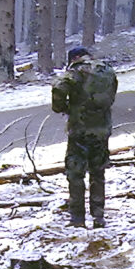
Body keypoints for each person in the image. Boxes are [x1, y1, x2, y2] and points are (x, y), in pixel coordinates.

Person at [52, 46, 118, 228]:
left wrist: (63, 107)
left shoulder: (75, 71)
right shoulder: (106, 70)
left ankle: (77, 218)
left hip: (79, 131)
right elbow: (111, 95)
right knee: (98, 173)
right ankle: (98, 216)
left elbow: (58, 87)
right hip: (102, 130)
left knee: (75, 174)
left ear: (74, 58)